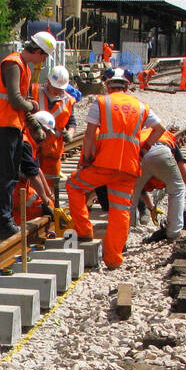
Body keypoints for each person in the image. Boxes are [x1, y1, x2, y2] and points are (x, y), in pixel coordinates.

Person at [66, 67, 165, 269]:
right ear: (127, 86)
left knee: (74, 186)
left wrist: (86, 159)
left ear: (107, 84)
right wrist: (142, 151)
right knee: (120, 211)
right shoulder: (141, 105)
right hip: (128, 168)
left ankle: (84, 230)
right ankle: (113, 259)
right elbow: (160, 129)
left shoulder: (102, 102)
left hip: (104, 164)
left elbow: (90, 134)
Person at [0, 31, 56, 239]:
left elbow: (19, 105)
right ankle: (2, 221)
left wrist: (33, 124)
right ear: (36, 50)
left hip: (11, 126)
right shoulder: (13, 64)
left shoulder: (21, 65)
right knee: (6, 176)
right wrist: (33, 105)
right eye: (43, 56)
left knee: (10, 174)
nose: (42, 61)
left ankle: (2, 219)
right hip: (2, 126)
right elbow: (17, 100)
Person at [35, 65, 76, 181]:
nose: (57, 91)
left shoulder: (69, 101)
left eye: (60, 89)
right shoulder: (34, 92)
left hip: (52, 152)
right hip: (33, 146)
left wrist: (70, 132)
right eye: (55, 87)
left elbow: (71, 122)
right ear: (48, 82)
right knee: (31, 183)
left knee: (50, 184)